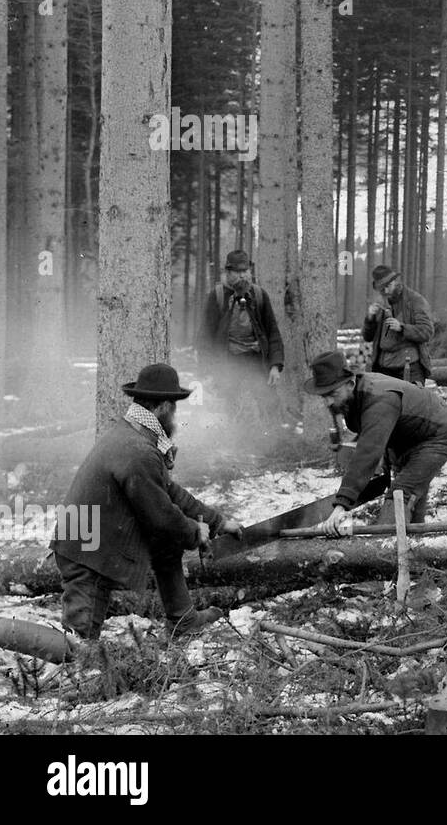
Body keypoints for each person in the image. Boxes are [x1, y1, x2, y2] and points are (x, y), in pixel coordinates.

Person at [50, 364, 243, 640]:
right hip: (86, 552)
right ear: (163, 407)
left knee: (166, 541)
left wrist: (218, 522)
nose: (175, 417)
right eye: (174, 409)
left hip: (93, 540)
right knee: (78, 644)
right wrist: (194, 532)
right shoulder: (138, 450)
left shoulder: (133, 435)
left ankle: (183, 620)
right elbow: (162, 516)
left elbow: (169, 492)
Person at [304, 351, 447, 535]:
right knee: (411, 494)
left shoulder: (379, 399)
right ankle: (416, 544)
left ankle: (383, 548)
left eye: (332, 394)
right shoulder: (354, 394)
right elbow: (371, 433)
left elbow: (368, 452)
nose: (328, 402)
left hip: (436, 435)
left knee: (401, 492)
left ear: (350, 384)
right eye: (324, 397)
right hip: (406, 436)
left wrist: (342, 505)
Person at [198, 250, 285, 419]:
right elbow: (205, 337)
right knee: (229, 408)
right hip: (228, 360)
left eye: (245, 271)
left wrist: (275, 365)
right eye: (238, 272)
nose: (243, 276)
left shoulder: (259, 295)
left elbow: (272, 332)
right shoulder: (217, 296)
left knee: (269, 404)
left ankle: (273, 441)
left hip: (257, 359)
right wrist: (206, 371)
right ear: (228, 273)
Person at [362, 265, 436, 386]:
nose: (385, 291)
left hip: (409, 368)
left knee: (410, 402)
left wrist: (402, 328)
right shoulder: (380, 302)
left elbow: (427, 331)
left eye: (388, 286)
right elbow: (368, 337)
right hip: (383, 368)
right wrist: (370, 318)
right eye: (382, 289)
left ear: (395, 282)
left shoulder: (415, 300)